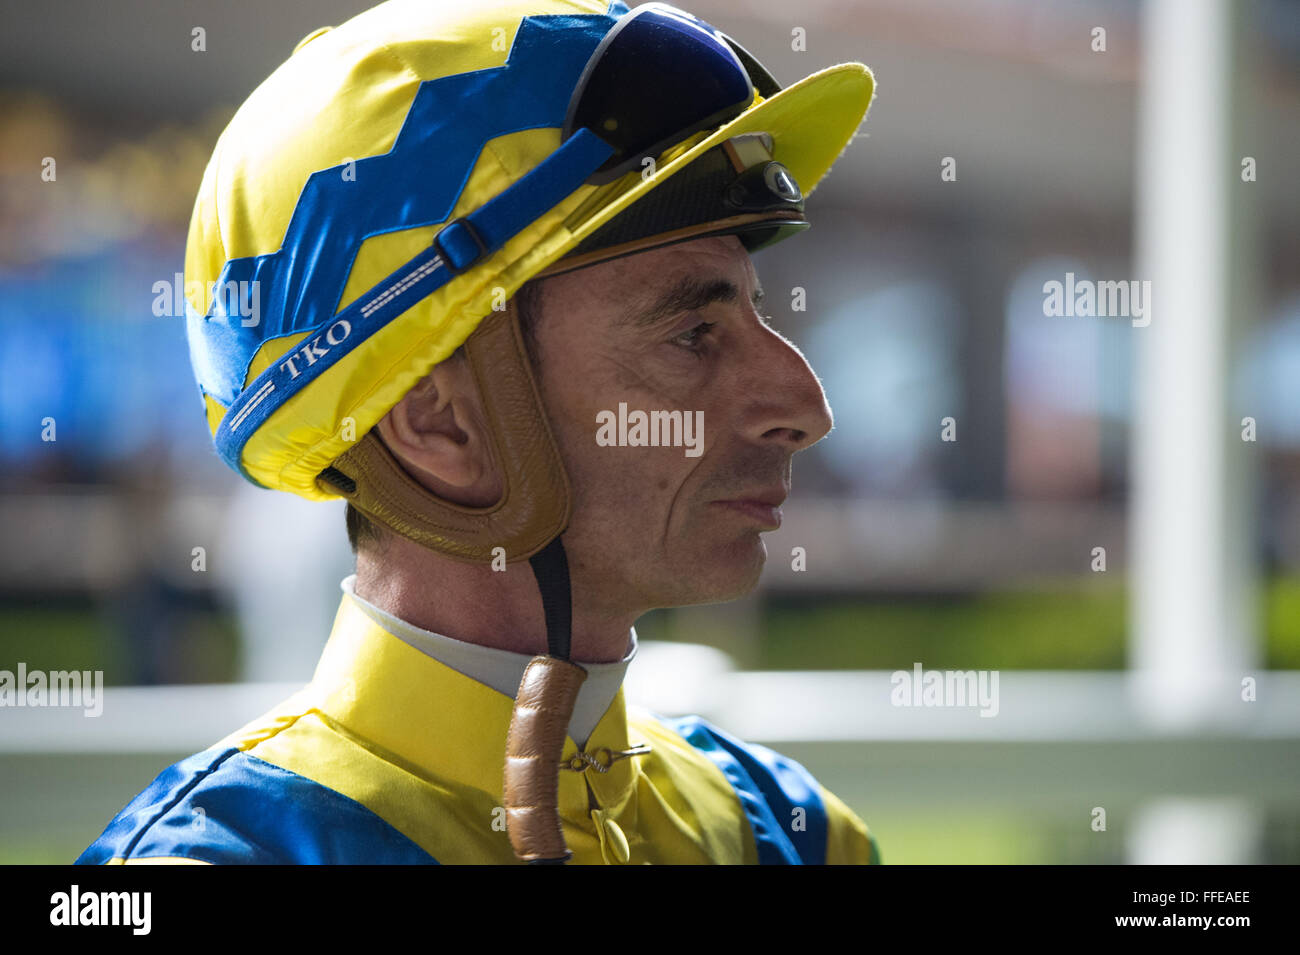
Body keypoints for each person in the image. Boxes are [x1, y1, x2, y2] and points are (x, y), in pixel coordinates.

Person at [78, 0, 879, 864]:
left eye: (756, 313)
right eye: (692, 334)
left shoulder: (794, 829)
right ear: (438, 419)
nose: (805, 404)